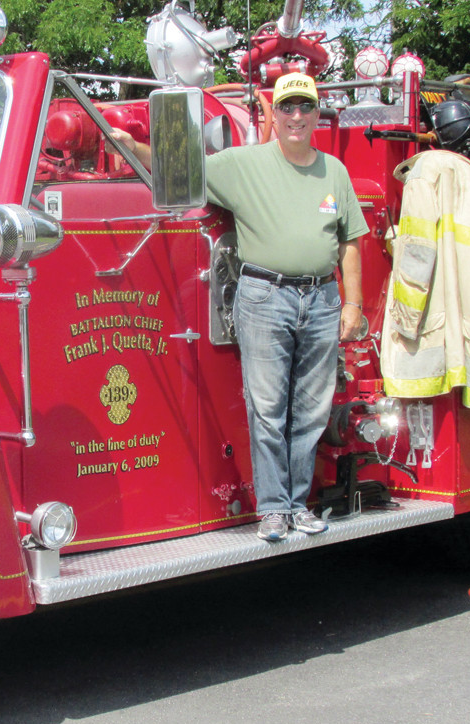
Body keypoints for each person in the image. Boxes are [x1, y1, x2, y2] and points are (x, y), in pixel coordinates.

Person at [111, 72, 367, 541]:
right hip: (265, 297)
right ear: (277, 112)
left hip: (323, 299)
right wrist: (129, 145)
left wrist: (354, 305)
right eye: (287, 107)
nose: (296, 116)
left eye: (304, 108)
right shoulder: (244, 163)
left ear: (316, 115)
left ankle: (297, 505)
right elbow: (185, 166)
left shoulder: (334, 171)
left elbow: (350, 243)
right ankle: (273, 510)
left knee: (310, 411)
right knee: (268, 407)